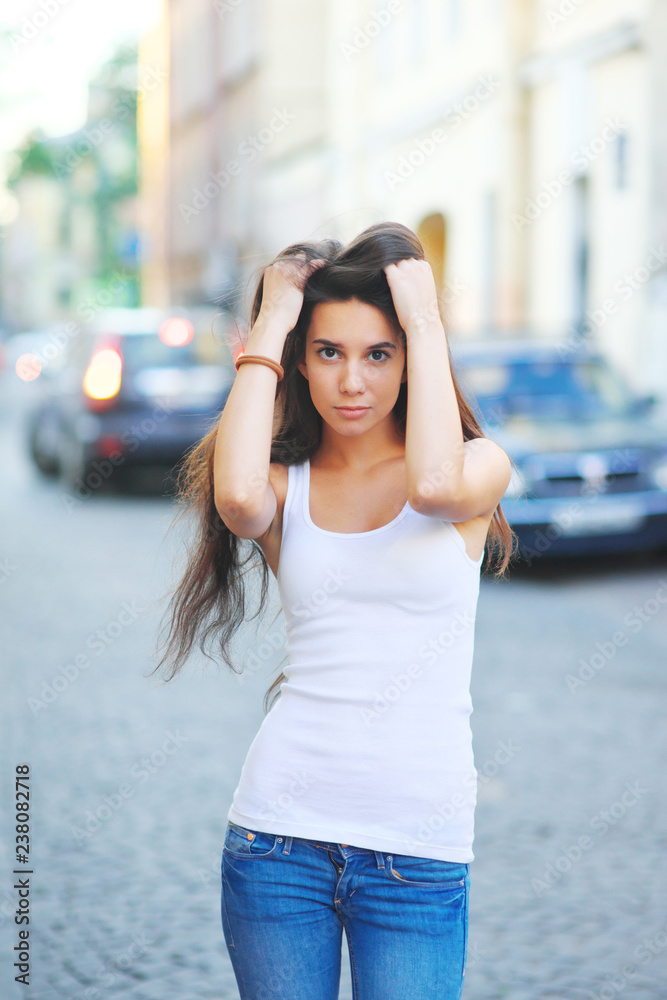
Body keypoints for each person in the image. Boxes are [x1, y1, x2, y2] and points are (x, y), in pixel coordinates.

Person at [152, 221, 517, 1000]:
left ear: (412, 359)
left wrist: (424, 318)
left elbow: (432, 487)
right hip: (277, 844)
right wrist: (274, 318)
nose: (352, 381)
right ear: (301, 363)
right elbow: (238, 497)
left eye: (378, 353)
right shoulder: (289, 487)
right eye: (328, 352)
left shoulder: (478, 470)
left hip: (416, 852)